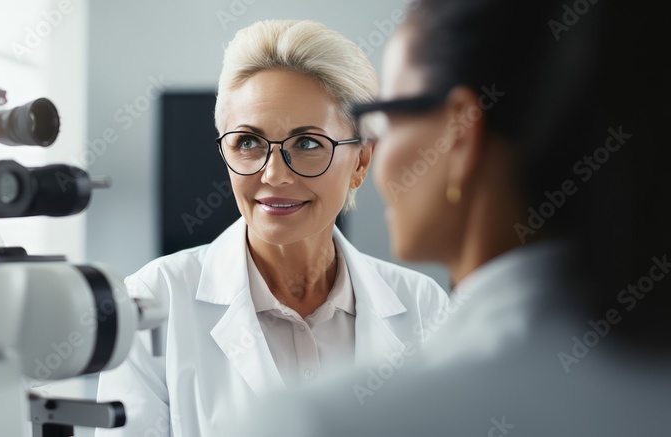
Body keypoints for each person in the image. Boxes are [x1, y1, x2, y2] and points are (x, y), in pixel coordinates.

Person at [234, 0, 671, 435]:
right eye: (248, 142)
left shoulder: (320, 421)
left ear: (459, 136)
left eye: (386, 120)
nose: (274, 174)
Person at [95, 20, 449, 437]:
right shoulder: (153, 303)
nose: (274, 175)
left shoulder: (423, 308)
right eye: (248, 142)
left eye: (308, 143)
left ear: (361, 160)